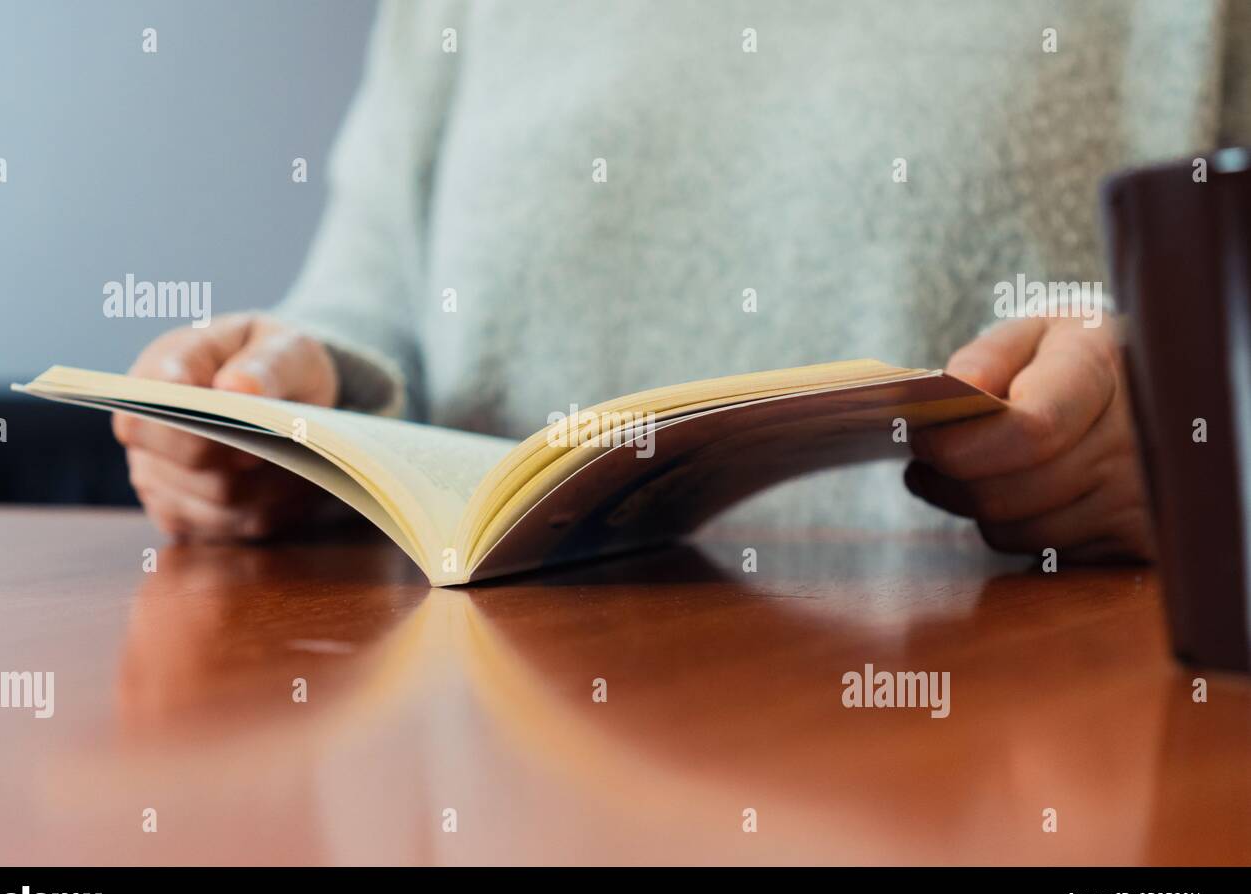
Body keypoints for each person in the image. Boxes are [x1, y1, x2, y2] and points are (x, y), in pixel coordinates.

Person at [113, 1, 1251, 561]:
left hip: (997, 773)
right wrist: (274, 405)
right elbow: (367, 311)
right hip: (490, 770)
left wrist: (1204, 446)